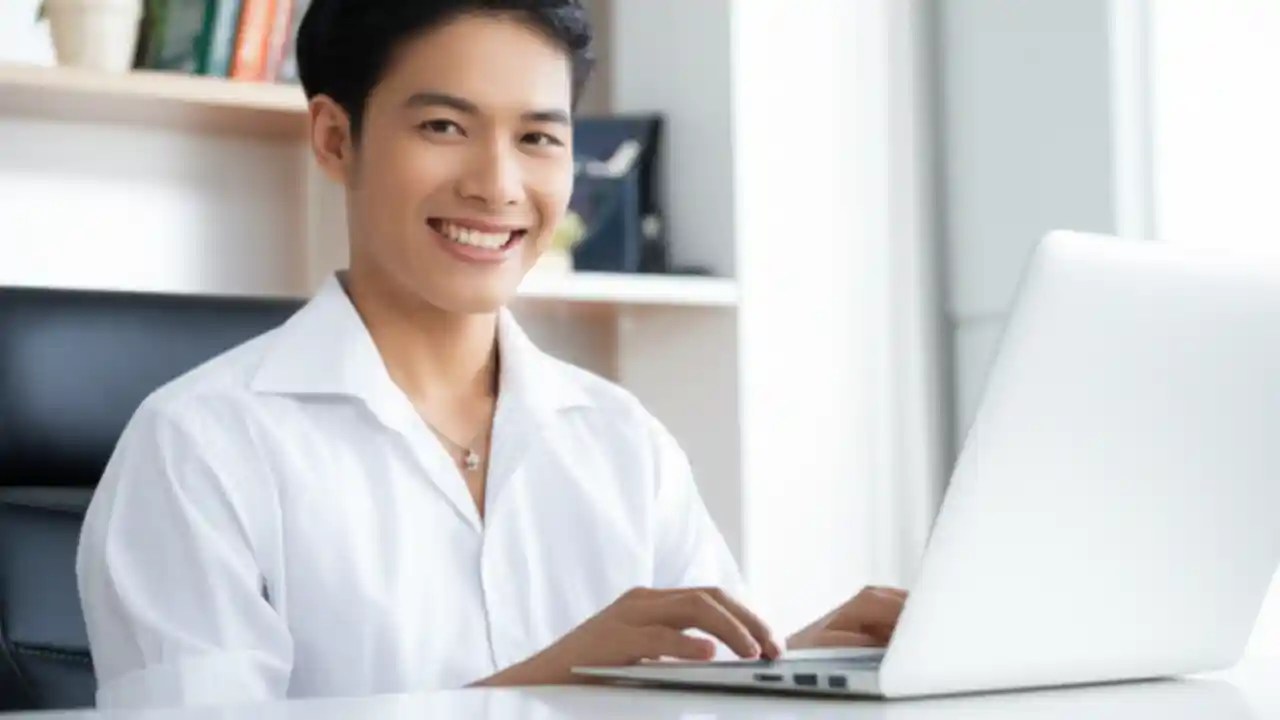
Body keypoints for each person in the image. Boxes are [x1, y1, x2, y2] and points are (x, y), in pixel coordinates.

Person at [76, 0, 907, 709]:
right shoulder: (199, 445)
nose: (498, 184)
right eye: (444, 126)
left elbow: (679, 704)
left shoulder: (623, 441)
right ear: (335, 138)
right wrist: (551, 687)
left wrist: (800, 667)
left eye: (539, 139)